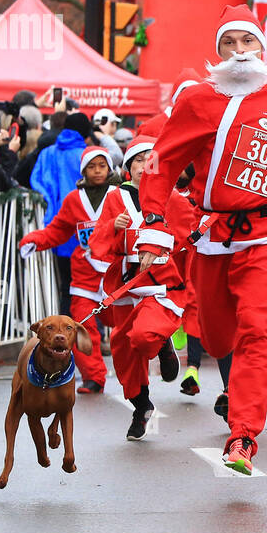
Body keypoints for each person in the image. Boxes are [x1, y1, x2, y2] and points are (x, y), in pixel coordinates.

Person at [133, 4, 267, 474]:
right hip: (213, 236)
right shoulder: (198, 101)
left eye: (247, 41)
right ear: (217, 52)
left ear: (262, 47)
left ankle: (243, 435)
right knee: (214, 336)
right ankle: (210, 362)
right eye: (228, 43)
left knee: (257, 330)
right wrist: (153, 221)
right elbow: (162, 163)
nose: (239, 52)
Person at [89, 137, 190, 439]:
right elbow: (98, 243)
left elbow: (187, 235)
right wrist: (114, 228)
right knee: (123, 351)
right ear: (128, 168)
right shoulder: (114, 198)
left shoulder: (170, 198)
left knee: (145, 336)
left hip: (158, 284)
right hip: (125, 285)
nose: (146, 166)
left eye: (151, 160)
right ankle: (141, 405)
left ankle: (162, 345)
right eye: (139, 160)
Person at [19, 145, 117, 392]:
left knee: (125, 328)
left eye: (102, 166)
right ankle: (94, 376)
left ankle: (136, 373)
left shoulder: (120, 195)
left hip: (118, 272)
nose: (97, 171)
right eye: (92, 167)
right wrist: (33, 240)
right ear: (83, 170)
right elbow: (58, 230)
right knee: (81, 324)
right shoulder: (74, 199)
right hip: (85, 273)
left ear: (109, 168)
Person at [31, 111, 96, 315]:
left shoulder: (47, 153)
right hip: (87, 230)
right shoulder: (88, 156)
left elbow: (36, 182)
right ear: (86, 132)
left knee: (65, 287)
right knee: (91, 288)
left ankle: (63, 338)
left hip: (57, 228)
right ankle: (88, 337)